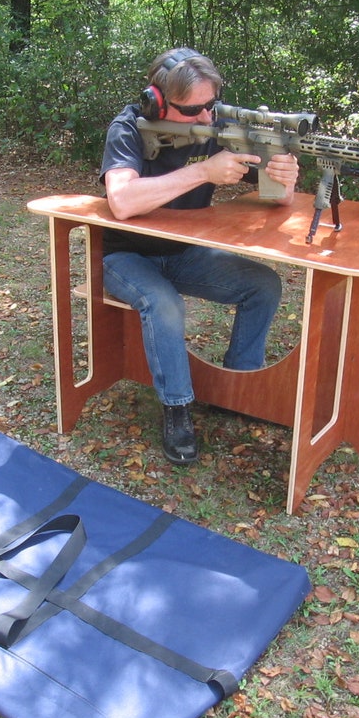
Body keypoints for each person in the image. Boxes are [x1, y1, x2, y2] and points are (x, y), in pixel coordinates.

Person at [99, 48, 300, 465]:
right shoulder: (128, 127)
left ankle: (239, 386)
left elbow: (278, 200)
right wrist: (204, 172)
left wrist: (284, 178)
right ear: (158, 102)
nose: (207, 117)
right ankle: (177, 409)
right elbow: (122, 200)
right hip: (125, 255)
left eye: (212, 104)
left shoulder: (219, 123)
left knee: (262, 285)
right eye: (193, 110)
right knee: (164, 304)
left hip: (184, 252)